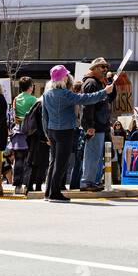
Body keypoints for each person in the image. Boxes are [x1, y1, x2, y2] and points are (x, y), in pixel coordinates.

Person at [41, 65, 111, 202]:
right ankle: (54, 193)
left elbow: (44, 117)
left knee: (53, 162)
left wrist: (47, 134)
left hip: (52, 130)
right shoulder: (65, 94)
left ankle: (48, 193)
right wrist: (104, 92)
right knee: (61, 163)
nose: (68, 77)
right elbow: (85, 98)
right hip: (65, 131)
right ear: (63, 78)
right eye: (66, 75)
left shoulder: (47, 94)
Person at [78, 58, 115, 192]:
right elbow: (87, 106)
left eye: (106, 67)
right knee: (92, 155)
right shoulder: (91, 83)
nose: (105, 69)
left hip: (100, 125)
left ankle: (93, 181)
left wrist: (111, 82)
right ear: (93, 69)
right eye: (102, 67)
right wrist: (89, 126)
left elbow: (110, 98)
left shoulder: (99, 83)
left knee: (97, 156)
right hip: (95, 126)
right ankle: (87, 182)